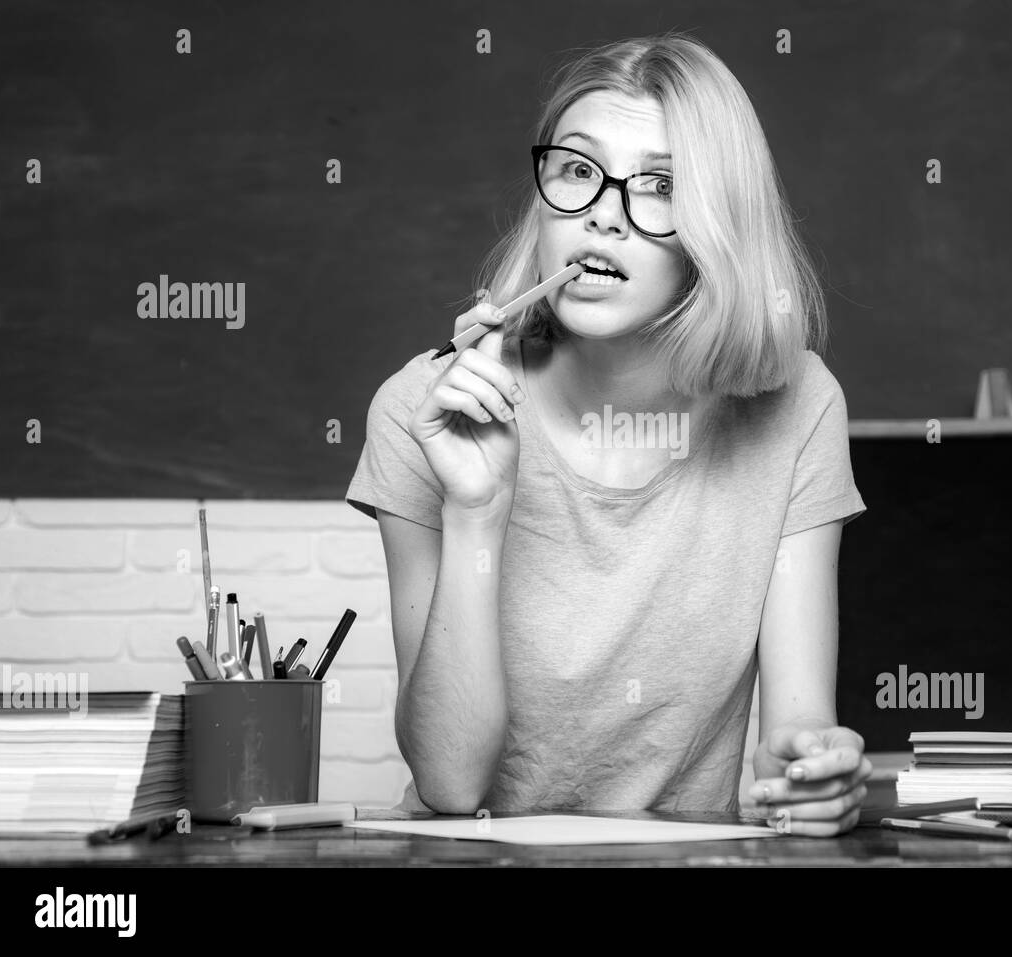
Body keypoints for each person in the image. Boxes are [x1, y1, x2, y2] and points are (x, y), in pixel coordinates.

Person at [346, 31, 871, 835]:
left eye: (658, 185)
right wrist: (476, 509)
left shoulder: (797, 406)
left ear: (716, 225)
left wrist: (814, 777)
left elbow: (791, 745)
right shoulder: (423, 408)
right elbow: (451, 782)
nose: (601, 215)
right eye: (578, 169)